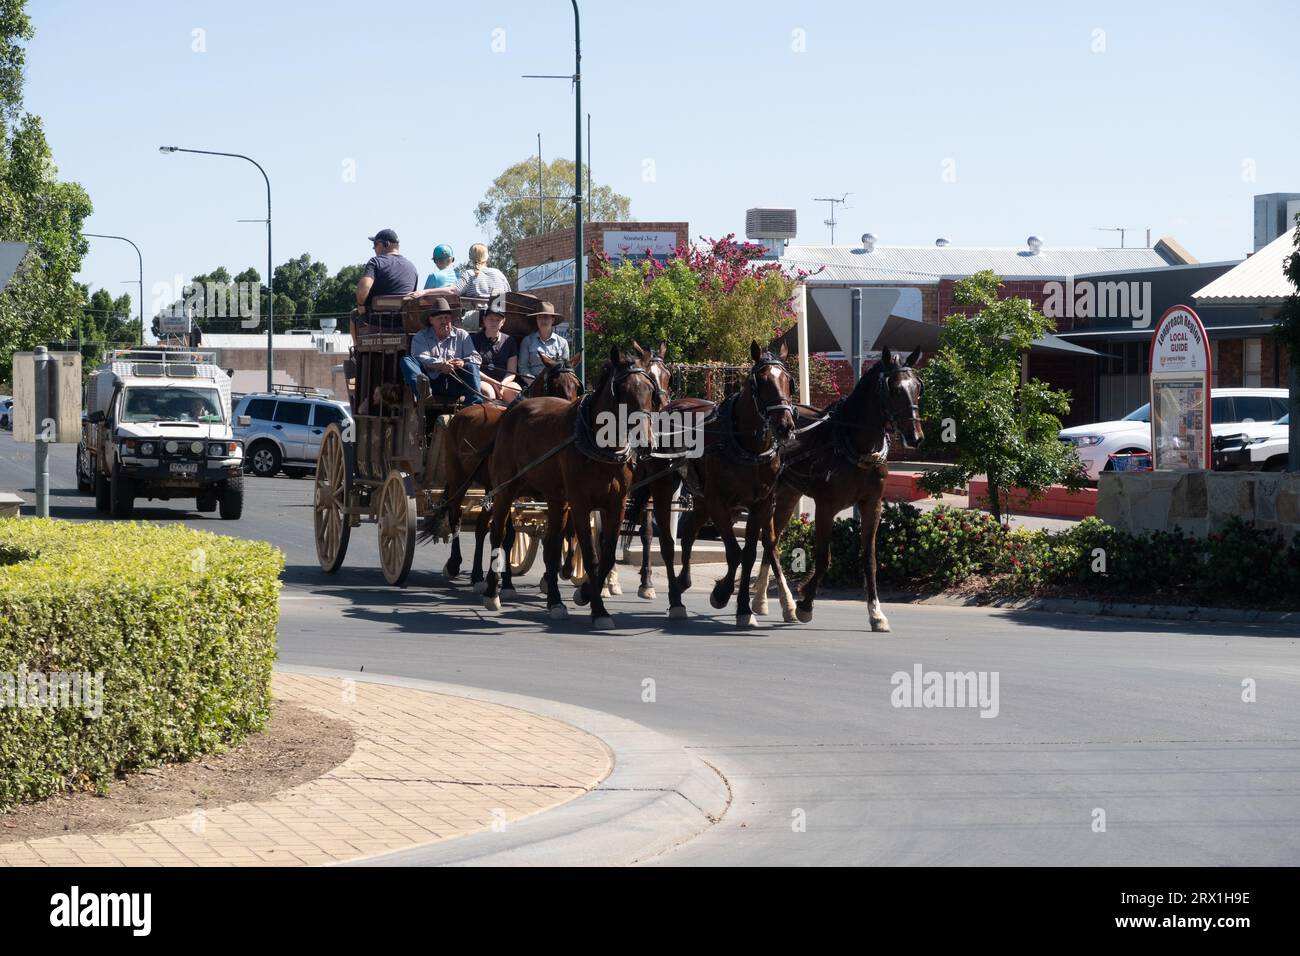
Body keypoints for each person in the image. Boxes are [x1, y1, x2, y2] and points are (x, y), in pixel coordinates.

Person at [401, 297, 483, 407]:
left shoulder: (462, 334)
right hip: (431, 383)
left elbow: (476, 358)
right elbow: (420, 357)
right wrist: (440, 365)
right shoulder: (421, 336)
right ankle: (423, 393)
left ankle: (474, 406)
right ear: (431, 320)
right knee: (406, 360)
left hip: (456, 382)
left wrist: (463, 362)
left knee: (472, 366)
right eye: (440, 318)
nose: (444, 322)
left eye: (447, 318)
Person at [471, 309, 520, 402]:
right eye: (491, 319)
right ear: (484, 320)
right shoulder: (475, 339)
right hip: (483, 380)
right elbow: (474, 368)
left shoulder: (510, 341)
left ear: (503, 322)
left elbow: (511, 371)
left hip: (504, 382)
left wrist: (502, 384)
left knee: (516, 393)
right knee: (489, 394)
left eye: (498, 320)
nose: (494, 322)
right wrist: (492, 382)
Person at [517, 302, 569, 382]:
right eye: (540, 317)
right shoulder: (527, 341)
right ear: (536, 320)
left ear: (553, 320)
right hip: (534, 384)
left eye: (546, 317)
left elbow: (566, 368)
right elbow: (523, 367)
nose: (543, 320)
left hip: (556, 384)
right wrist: (532, 382)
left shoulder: (563, 343)